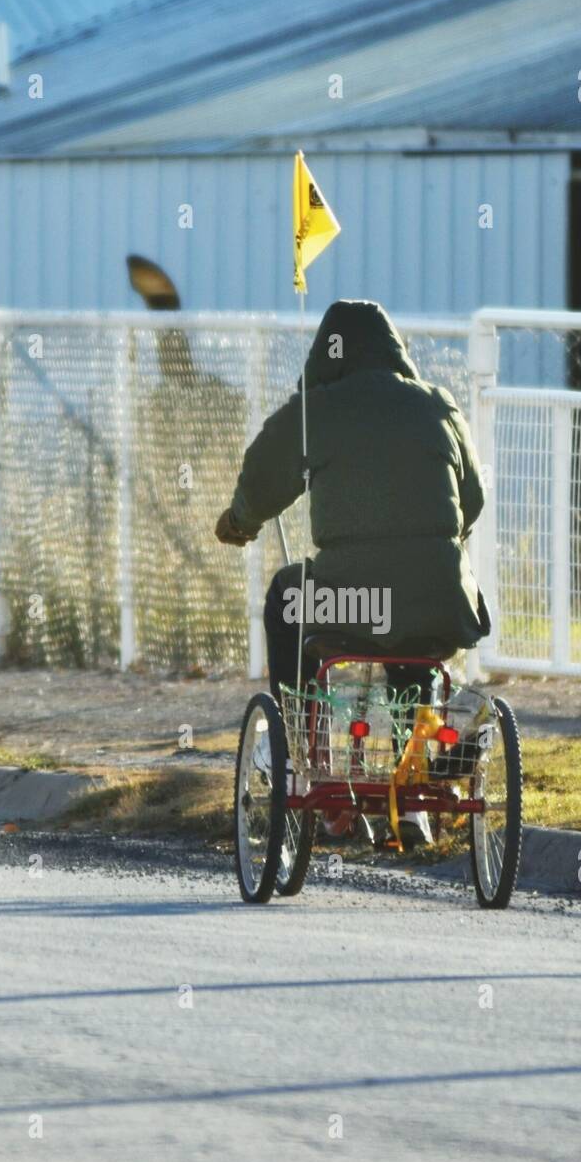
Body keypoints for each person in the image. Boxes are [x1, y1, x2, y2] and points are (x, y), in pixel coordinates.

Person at [215, 299, 490, 845]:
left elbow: (262, 479)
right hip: (443, 603)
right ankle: (419, 777)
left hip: (352, 605)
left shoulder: (318, 409)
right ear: (396, 352)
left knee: (285, 596)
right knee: (412, 640)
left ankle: (296, 743)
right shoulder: (437, 405)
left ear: (327, 356)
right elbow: (473, 499)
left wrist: (240, 522)